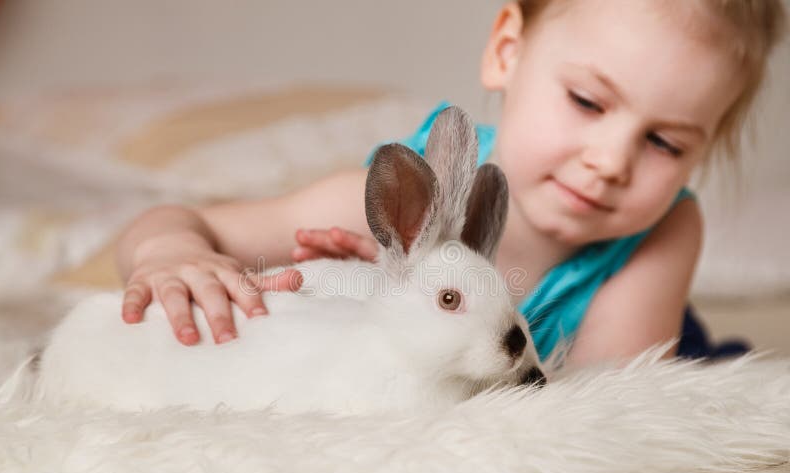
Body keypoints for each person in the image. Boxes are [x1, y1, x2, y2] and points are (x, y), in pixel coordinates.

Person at [115, 0, 786, 366]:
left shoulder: (660, 232)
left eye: (666, 143)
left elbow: (598, 411)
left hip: (644, 358)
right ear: (506, 52)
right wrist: (170, 257)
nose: (612, 160)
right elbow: (181, 223)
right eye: (587, 101)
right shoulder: (403, 202)